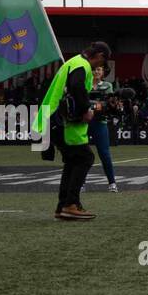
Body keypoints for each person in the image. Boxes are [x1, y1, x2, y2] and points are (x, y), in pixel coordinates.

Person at [36, 41, 113, 221]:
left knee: (72, 160)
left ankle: (63, 206)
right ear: (100, 56)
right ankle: (70, 204)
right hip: (59, 120)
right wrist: (87, 108)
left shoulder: (73, 62)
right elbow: (77, 86)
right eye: (102, 63)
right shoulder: (82, 65)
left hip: (51, 119)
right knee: (84, 158)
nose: (99, 67)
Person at [88, 64, 118, 193]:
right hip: (85, 123)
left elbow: (108, 104)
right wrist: (97, 104)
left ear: (103, 72)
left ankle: (112, 183)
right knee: (82, 154)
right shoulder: (85, 84)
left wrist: (91, 105)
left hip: (100, 122)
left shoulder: (108, 86)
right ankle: (80, 184)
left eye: (99, 69)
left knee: (104, 154)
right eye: (94, 69)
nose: (96, 71)